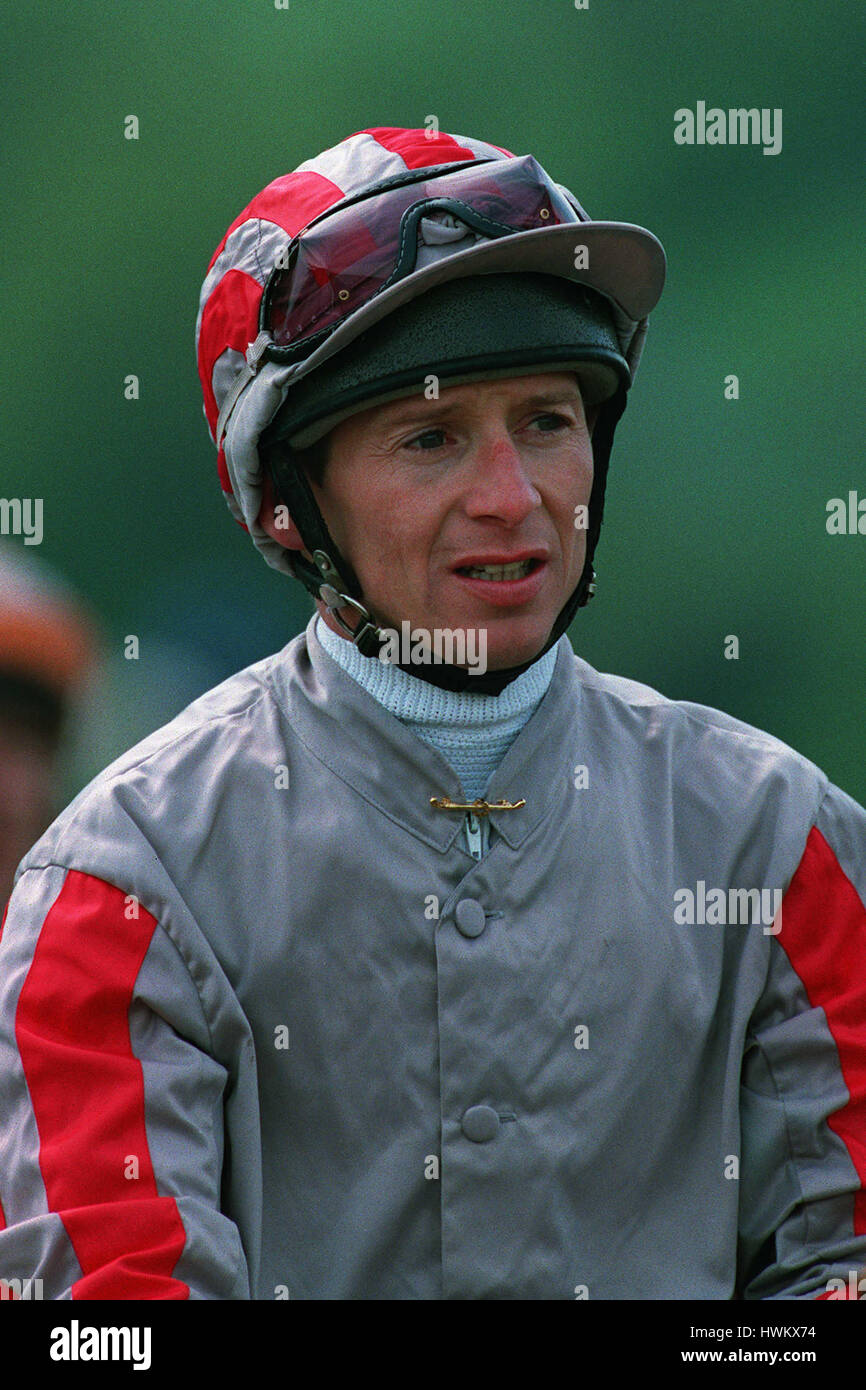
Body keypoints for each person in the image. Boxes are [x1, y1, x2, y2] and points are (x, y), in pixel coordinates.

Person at [0, 126, 864, 1302]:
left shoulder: (779, 836)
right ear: (290, 505)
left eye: (547, 423)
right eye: (429, 438)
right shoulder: (123, 878)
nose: (511, 500)